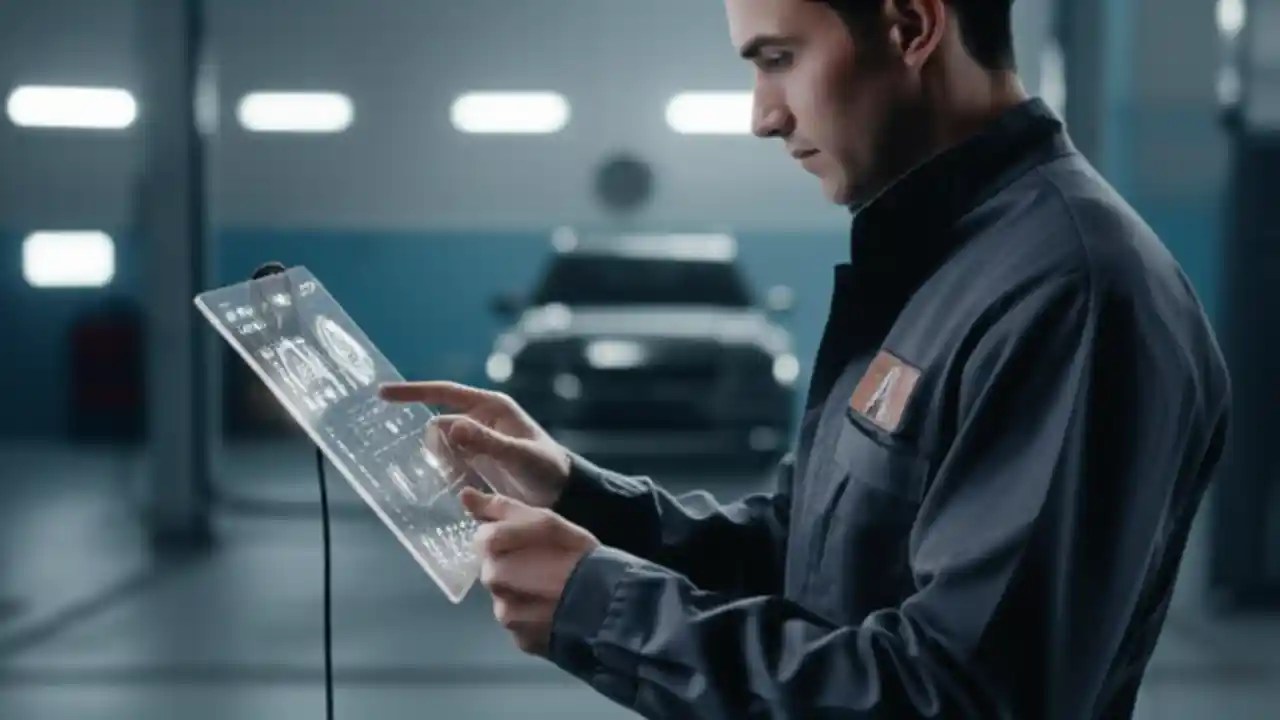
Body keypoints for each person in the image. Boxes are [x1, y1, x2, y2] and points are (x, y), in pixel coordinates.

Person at [380, 0, 1232, 716]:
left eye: (779, 58)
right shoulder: (938, 262)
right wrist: (578, 495)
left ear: (908, 25)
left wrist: (601, 607)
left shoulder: (1067, 292)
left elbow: (959, 695)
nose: (763, 115)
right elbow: (803, 560)